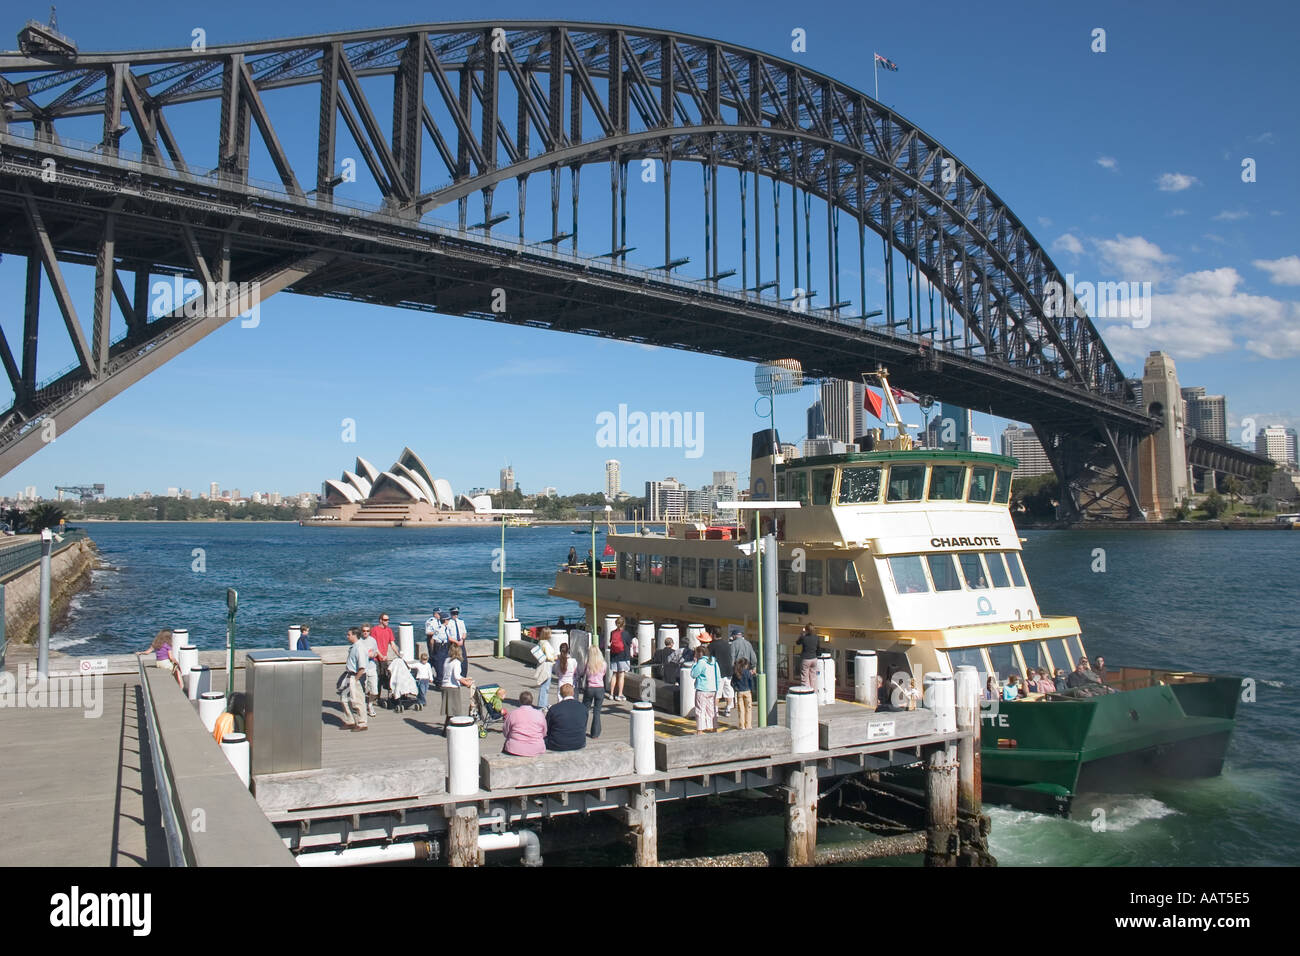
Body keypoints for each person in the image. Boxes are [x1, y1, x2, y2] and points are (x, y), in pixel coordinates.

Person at [690, 636, 722, 734]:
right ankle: (714, 728)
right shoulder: (714, 662)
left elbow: (693, 674)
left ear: (699, 654)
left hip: (702, 689)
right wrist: (717, 687)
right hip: (713, 689)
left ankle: (700, 730)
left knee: (700, 710)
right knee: (711, 710)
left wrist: (695, 663)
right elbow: (718, 676)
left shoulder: (701, 662)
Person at [502, 690, 548, 756]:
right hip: (536, 748)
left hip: (515, 749)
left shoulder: (513, 714)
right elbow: (544, 732)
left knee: (506, 745)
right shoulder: (539, 714)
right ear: (531, 701)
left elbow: (506, 732)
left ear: (520, 701)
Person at [340, 627, 368, 731]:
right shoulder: (354, 647)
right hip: (349, 675)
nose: (347, 636)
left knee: (358, 700)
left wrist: (356, 679)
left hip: (356, 676)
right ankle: (350, 721)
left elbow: (362, 667)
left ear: (354, 635)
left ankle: (362, 723)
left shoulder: (359, 648)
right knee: (344, 698)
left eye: (349, 635)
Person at [545, 684, 587, 752]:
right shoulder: (583, 707)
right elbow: (584, 726)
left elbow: (547, 727)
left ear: (561, 694)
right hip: (579, 743)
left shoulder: (554, 709)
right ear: (573, 693)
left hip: (557, 744)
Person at [580, 646, 607, 738]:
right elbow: (603, 674)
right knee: (597, 711)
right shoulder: (603, 664)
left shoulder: (588, 664)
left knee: (585, 710)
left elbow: (583, 673)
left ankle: (581, 730)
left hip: (590, 688)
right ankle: (595, 733)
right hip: (600, 688)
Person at [441, 643, 473, 719]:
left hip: (444, 686)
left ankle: (446, 728)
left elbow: (449, 674)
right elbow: (456, 676)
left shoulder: (446, 660)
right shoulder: (456, 662)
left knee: (449, 712)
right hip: (452, 688)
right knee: (456, 710)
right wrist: (467, 683)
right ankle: (456, 727)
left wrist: (465, 678)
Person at [710, 627, 735, 717]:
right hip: (729, 671)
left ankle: (715, 711)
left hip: (718, 672)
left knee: (717, 692)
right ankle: (728, 709)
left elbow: (710, 659)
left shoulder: (712, 645)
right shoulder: (727, 644)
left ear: (713, 635)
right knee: (728, 690)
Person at [607, 616, 632, 702]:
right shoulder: (626, 633)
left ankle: (611, 694)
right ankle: (619, 694)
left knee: (614, 674)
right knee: (621, 675)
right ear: (624, 624)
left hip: (614, 656)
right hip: (623, 656)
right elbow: (629, 643)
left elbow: (610, 643)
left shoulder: (612, 632)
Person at [372, 614, 395, 703]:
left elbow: (392, 644)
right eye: (385, 620)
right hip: (376, 658)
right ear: (380, 620)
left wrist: (398, 654)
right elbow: (374, 645)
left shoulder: (389, 630)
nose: (387, 621)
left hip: (384, 658)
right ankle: (376, 696)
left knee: (384, 676)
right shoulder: (375, 630)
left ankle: (384, 695)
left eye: (388, 619)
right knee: (377, 678)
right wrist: (381, 655)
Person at [360, 623, 380, 717]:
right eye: (364, 631)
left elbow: (376, 652)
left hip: (371, 667)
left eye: (367, 631)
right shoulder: (358, 641)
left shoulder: (373, 640)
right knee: (361, 690)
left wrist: (374, 654)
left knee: (375, 691)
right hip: (362, 669)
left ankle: (370, 704)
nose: (365, 632)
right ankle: (362, 707)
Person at [425, 608, 448, 685]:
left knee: (436, 659)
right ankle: (427, 671)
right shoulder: (430, 621)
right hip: (432, 640)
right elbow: (428, 632)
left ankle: (434, 674)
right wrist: (437, 632)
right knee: (433, 657)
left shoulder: (441, 621)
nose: (440, 615)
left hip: (440, 641)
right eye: (438, 614)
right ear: (435, 614)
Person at [733, 658, 756, 729]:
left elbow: (732, 683)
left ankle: (741, 726)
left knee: (741, 710)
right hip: (747, 692)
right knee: (748, 709)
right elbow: (751, 682)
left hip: (739, 692)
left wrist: (736, 688)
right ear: (745, 665)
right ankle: (748, 725)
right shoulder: (748, 673)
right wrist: (752, 690)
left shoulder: (736, 673)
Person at [795, 625, 820, 690]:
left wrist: (801, 635)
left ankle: (806, 692)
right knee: (813, 677)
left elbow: (797, 643)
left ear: (806, 630)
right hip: (814, 658)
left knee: (804, 677)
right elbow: (818, 648)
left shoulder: (804, 637)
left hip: (806, 659)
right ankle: (814, 692)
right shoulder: (816, 637)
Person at [534, 641, 555, 710]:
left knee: (544, 686)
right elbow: (549, 657)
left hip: (542, 665)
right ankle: (542, 705)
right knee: (545, 687)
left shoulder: (540, 642)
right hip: (547, 666)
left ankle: (544, 703)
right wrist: (555, 659)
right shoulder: (546, 644)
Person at [447, 607, 468, 678]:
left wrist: (462, 640)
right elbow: (448, 636)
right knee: (453, 659)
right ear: (450, 614)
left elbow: (464, 632)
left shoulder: (461, 621)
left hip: (461, 642)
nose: (455, 615)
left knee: (463, 659)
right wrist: (456, 642)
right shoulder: (448, 623)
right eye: (453, 614)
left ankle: (463, 676)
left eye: (456, 613)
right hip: (453, 643)